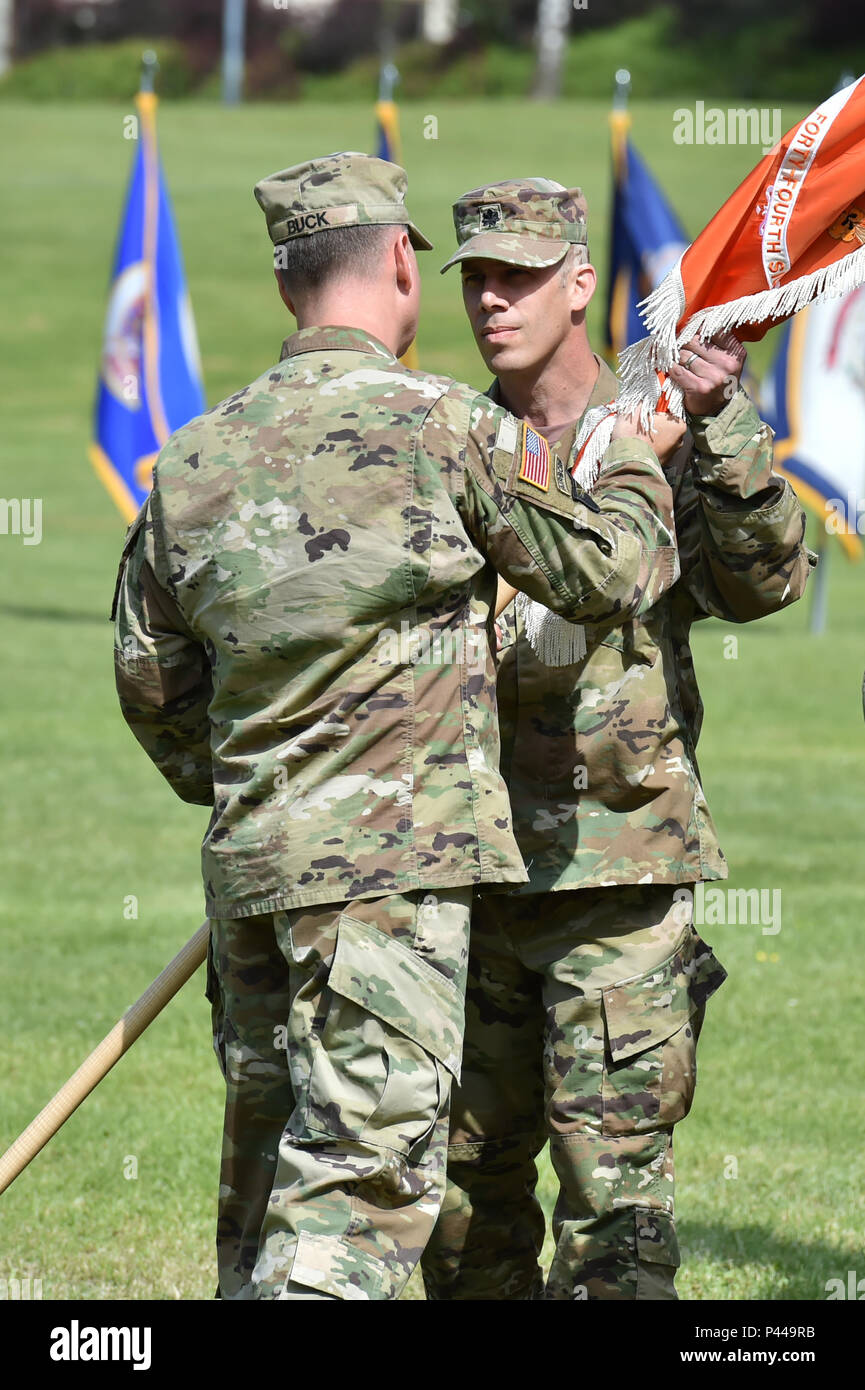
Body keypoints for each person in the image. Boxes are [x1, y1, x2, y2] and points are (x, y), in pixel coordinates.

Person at [111, 153, 685, 1301]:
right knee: (359, 1204)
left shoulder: (190, 459)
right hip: (393, 887)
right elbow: (608, 569)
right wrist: (628, 451)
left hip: (253, 883)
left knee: (274, 1186)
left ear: (287, 287)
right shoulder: (442, 428)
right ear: (397, 267)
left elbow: (151, 684)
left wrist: (260, 783)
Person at [421, 178, 816, 1301]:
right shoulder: (450, 440)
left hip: (620, 876)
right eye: (477, 279)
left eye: (521, 276)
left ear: (581, 284)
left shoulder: (658, 428)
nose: (493, 301)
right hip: (471, 872)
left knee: (617, 1221)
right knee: (461, 1206)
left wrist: (725, 421)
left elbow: (764, 583)